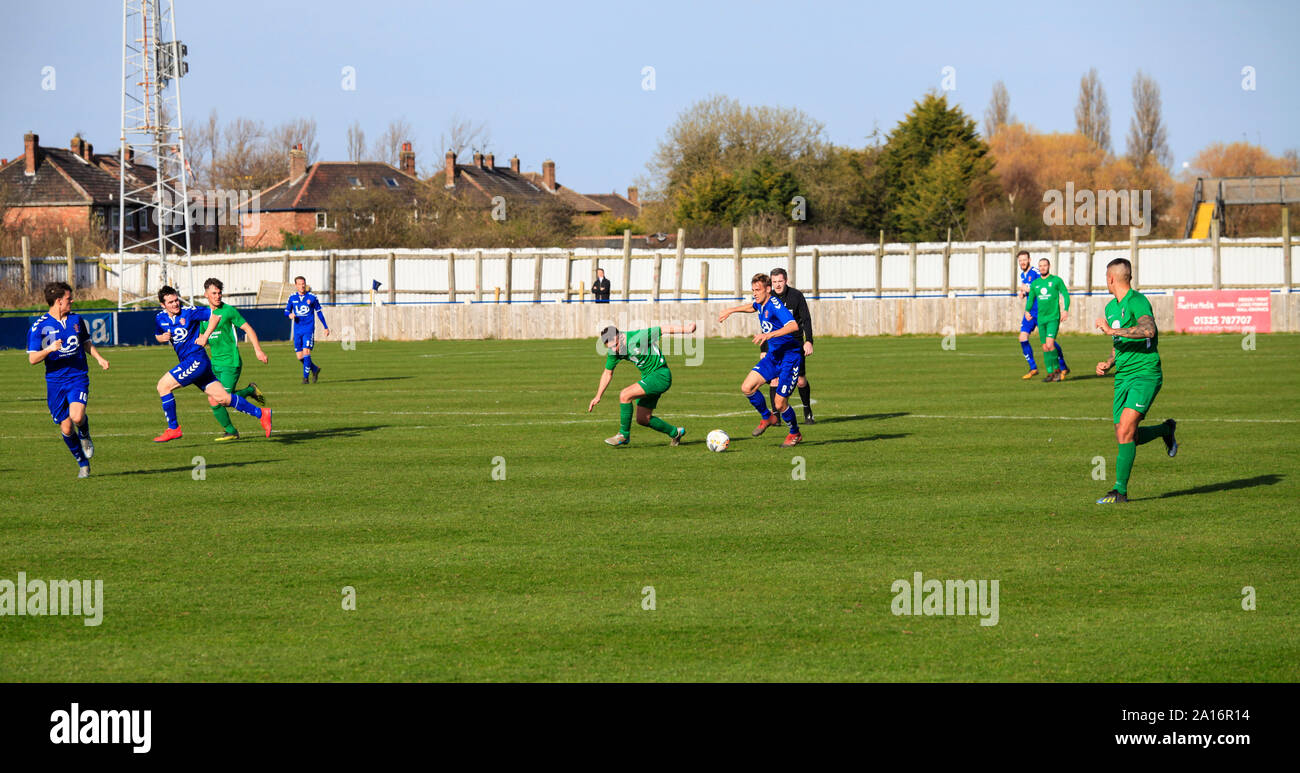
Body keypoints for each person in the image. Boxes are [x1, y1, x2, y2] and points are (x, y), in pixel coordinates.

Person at [1093, 258, 1176, 504]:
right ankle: (1165, 430)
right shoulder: (1110, 308)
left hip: (1145, 374)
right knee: (1124, 435)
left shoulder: (1138, 301)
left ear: (1111, 279)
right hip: (1123, 377)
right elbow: (1119, 345)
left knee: (1127, 430)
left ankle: (1120, 491)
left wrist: (1112, 331)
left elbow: (1148, 330)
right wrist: (1109, 362)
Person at [152, 285, 272, 442]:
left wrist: (205, 336)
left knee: (163, 386)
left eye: (176, 300)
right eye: (170, 302)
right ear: (163, 305)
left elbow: (215, 317)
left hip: (195, 360)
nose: (175, 304)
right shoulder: (160, 318)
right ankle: (262, 414)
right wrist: (162, 338)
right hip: (196, 363)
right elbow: (157, 335)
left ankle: (173, 428)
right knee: (222, 398)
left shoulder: (190, 312)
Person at [26, 281, 110, 478]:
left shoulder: (76, 319)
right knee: (65, 426)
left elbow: (86, 342)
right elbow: (32, 359)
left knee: (78, 416)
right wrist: (49, 349)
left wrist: (99, 358)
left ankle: (85, 435)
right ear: (58, 301)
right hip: (55, 382)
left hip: (77, 376)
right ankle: (82, 462)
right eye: (68, 298)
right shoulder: (39, 327)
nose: (72, 301)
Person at [717, 273, 804, 447]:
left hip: (790, 357)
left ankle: (795, 433)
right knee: (747, 387)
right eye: (753, 290)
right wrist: (731, 310)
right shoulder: (761, 303)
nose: (755, 293)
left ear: (768, 290)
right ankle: (768, 417)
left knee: (780, 403)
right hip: (774, 356)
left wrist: (769, 334)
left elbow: (793, 325)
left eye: (758, 290)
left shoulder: (775, 304)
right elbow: (752, 306)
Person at [588, 323, 695, 446]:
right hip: (649, 378)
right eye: (610, 347)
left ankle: (624, 435)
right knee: (643, 419)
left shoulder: (638, 338)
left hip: (660, 375)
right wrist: (598, 396)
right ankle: (675, 432)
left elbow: (662, 329)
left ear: (621, 337)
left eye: (615, 345)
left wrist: (687, 329)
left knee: (625, 395)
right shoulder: (614, 351)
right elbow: (607, 373)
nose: (614, 350)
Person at [198, 278, 269, 442]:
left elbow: (248, 328)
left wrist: (258, 350)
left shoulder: (228, 311)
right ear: (206, 295)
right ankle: (231, 430)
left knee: (222, 398)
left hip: (231, 362)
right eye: (214, 293)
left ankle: (250, 393)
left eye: (219, 293)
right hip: (214, 363)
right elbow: (203, 338)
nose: (217, 296)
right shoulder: (202, 316)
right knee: (213, 398)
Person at [765, 267, 816, 423]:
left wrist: (809, 341)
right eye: (774, 282)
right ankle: (776, 416)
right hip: (775, 344)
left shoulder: (796, 296)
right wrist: (763, 349)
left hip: (794, 343)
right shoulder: (769, 298)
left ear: (786, 280)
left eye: (780, 281)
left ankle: (807, 409)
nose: (777, 285)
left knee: (800, 380)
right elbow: (765, 325)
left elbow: (806, 319)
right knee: (774, 379)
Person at [1024, 257, 1071, 382]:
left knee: (1050, 344)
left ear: (1049, 266)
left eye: (1045, 265)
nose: (1042, 268)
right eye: (1040, 266)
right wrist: (1027, 311)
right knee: (1045, 347)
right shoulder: (1035, 283)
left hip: (1053, 317)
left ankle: (1057, 370)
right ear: (1038, 268)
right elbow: (1031, 298)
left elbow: (1065, 294)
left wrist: (1065, 310)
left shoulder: (1056, 280)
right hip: (1041, 318)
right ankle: (1050, 373)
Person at [286, 276, 329, 383]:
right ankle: (314, 369)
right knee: (299, 356)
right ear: (296, 285)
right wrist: (290, 314)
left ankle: (305, 378)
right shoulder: (292, 298)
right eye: (300, 284)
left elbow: (319, 312)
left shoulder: (312, 297)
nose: (302, 286)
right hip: (297, 330)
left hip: (308, 329)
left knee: (306, 351)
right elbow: (286, 311)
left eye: (303, 283)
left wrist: (325, 327)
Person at [1015, 250, 1042, 379]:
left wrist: (1028, 289)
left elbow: (1042, 289)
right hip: (1030, 312)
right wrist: (1023, 293)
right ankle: (1033, 367)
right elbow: (1028, 291)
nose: (1022, 262)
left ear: (1029, 260)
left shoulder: (1036, 273)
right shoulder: (1023, 275)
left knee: (1048, 342)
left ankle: (1062, 366)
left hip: (1041, 311)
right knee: (1022, 337)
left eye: (1024, 260)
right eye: (1020, 260)